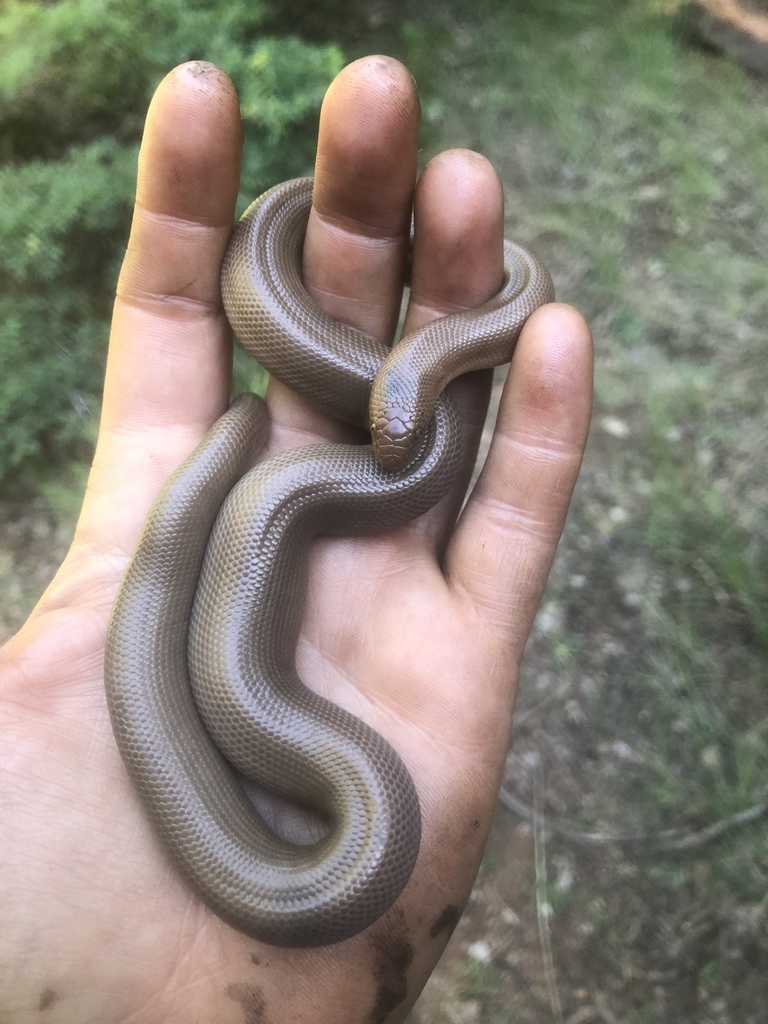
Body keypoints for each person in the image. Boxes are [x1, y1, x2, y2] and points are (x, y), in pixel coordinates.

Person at [0, 55, 592, 1022]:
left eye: (405, 421)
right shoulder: (380, 420)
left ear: (423, 378)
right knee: (258, 523)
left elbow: (401, 427)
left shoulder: (398, 411)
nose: (398, 448)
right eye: (393, 424)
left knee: (277, 497)